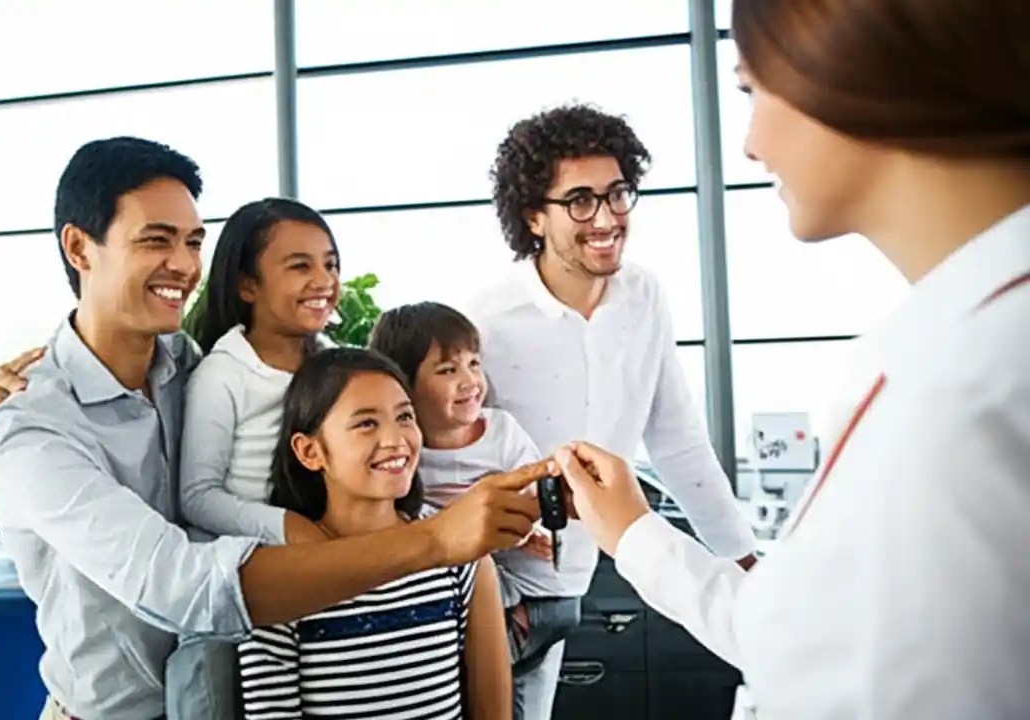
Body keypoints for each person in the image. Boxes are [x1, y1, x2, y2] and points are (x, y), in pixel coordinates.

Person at [556, 0, 1030, 717]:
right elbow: (818, 638)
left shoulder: (968, 388)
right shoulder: (961, 347)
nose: (750, 144)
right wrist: (635, 532)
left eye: (752, 89)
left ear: (852, 64)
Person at [0, 136, 550, 720]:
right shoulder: (34, 428)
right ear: (80, 247)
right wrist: (434, 543)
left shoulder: (192, 366)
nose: (182, 264)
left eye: (193, 241)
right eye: (156, 240)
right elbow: (182, 586)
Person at [466, 103, 759, 717]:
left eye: (617, 194)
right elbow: (446, 452)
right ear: (532, 217)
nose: (604, 217)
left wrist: (745, 564)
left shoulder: (643, 297)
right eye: (578, 200)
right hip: (493, 585)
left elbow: (678, 443)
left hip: (574, 581)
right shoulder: (486, 321)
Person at [239, 347, 512, 719]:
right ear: (309, 451)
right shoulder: (283, 578)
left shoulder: (463, 555)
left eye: (405, 417)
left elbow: (492, 711)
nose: (396, 439)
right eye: (367, 423)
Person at [368, 301, 586, 717]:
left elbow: (540, 486)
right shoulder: (404, 452)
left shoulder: (500, 432)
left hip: (538, 597)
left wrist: (522, 530)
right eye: (448, 370)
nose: (470, 381)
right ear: (402, 384)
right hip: (486, 591)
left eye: (473, 363)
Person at [179, 197, 339, 545]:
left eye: (331, 264)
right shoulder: (222, 374)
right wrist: (287, 527)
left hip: (328, 553)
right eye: (300, 267)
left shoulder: (338, 362)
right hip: (251, 566)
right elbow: (198, 497)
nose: (324, 280)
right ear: (248, 285)